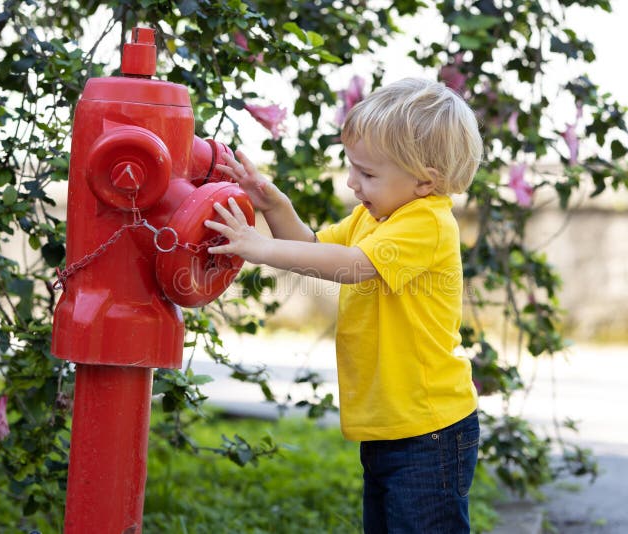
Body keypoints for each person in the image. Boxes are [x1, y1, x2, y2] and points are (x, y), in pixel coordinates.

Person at [204, 77, 483, 533]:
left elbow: (351, 266)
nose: (352, 183)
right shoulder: (373, 216)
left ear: (425, 181)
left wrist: (258, 248)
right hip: (390, 425)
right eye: (352, 168)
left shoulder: (427, 222)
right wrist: (273, 206)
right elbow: (312, 247)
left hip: (429, 430)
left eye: (368, 174)